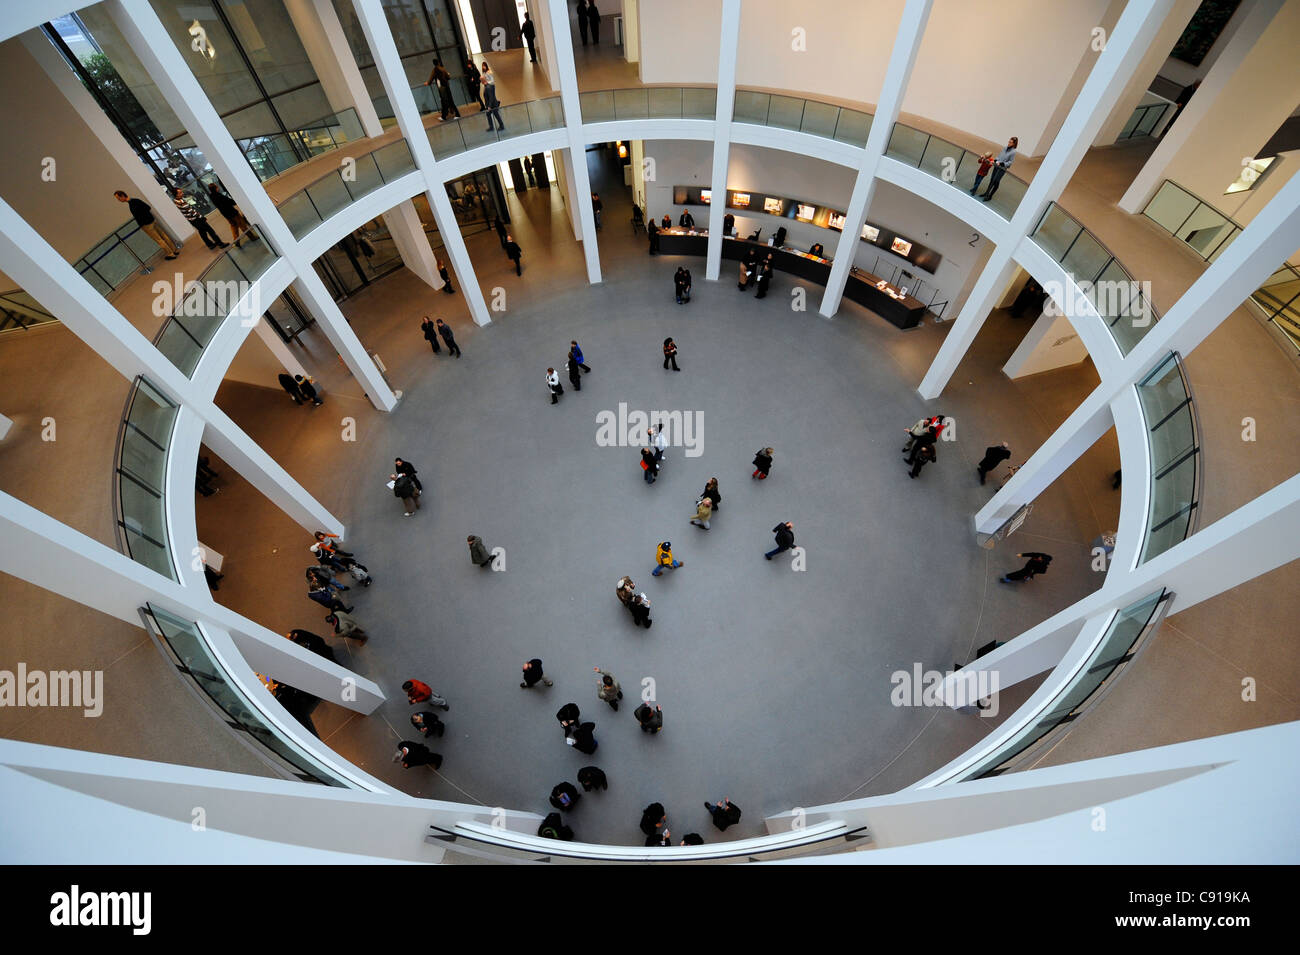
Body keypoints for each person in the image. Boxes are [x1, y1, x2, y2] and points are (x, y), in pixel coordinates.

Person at [114, 190, 179, 259]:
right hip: (152, 221)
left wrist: (143, 221)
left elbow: (139, 216)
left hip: (147, 225)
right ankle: (174, 250)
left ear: (123, 196)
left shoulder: (132, 204)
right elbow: (147, 207)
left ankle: (170, 254)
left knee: (159, 240)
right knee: (163, 235)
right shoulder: (136, 200)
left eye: (118, 198)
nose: (119, 200)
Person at [206, 183, 258, 247]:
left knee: (234, 227)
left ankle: (236, 242)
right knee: (243, 226)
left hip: (226, 215)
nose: (218, 187)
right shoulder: (219, 196)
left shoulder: (212, 196)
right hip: (232, 213)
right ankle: (252, 238)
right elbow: (230, 202)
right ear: (215, 188)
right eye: (217, 187)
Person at [980, 137, 1018, 201]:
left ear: (1014, 144)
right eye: (1009, 141)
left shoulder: (1013, 152)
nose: (1009, 143)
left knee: (996, 181)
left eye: (1011, 142)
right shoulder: (1005, 148)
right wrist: (995, 161)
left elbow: (1010, 162)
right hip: (996, 166)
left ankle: (990, 195)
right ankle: (986, 193)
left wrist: (1001, 164)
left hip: (1002, 169)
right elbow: (999, 156)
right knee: (992, 180)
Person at [481, 61, 504, 132]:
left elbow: (491, 97)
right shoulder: (486, 86)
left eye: (482, 81)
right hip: (491, 104)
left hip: (492, 104)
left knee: (495, 114)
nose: (481, 82)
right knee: (490, 114)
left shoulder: (489, 87)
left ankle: (500, 126)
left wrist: (489, 106)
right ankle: (493, 126)